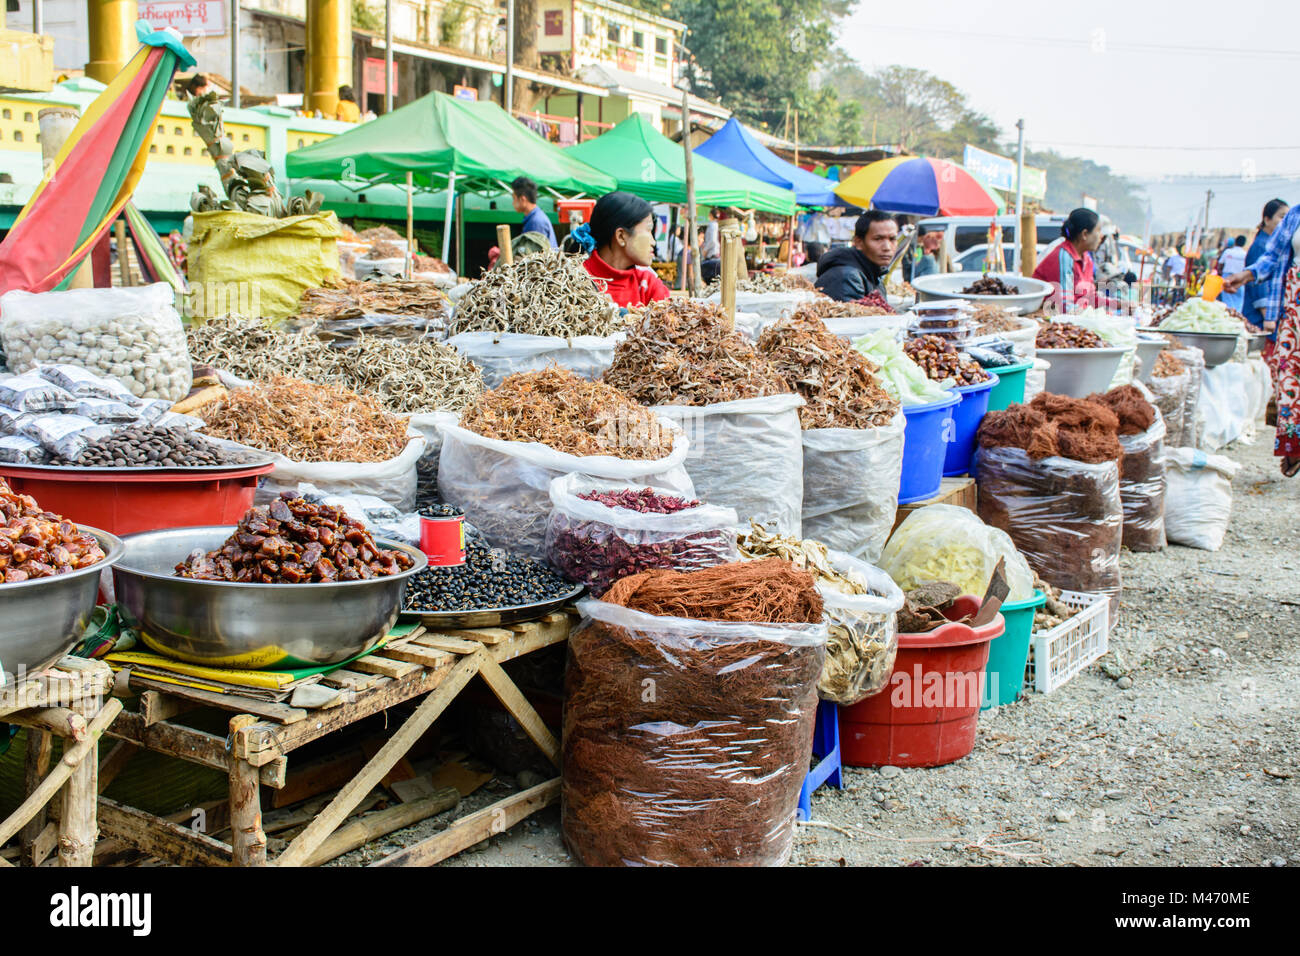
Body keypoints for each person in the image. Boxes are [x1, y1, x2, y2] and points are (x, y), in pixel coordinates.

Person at [1223, 204, 1300, 476]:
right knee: (1290, 381)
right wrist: (1244, 276)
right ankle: (1296, 443)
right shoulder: (1295, 215)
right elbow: (1273, 258)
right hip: (1295, 310)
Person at [570, 191, 671, 307]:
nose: (653, 242)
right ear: (621, 236)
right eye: (648, 230)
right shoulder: (572, 279)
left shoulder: (649, 286)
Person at [813, 210, 897, 301]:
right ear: (858, 242)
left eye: (892, 239)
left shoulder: (873, 274)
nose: (887, 247)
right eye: (878, 239)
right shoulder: (847, 277)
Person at [1032, 208, 1102, 306]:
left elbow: (1091, 298)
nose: (1101, 237)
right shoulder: (1064, 257)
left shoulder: (1087, 259)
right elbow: (1065, 305)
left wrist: (1119, 304)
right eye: (1098, 231)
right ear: (1084, 234)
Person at [1244, 199, 1290, 329]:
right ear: (1267, 220)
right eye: (1282, 217)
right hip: (1261, 318)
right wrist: (1269, 318)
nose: (1286, 222)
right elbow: (1260, 287)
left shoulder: (1271, 244)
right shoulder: (1262, 245)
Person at [510, 176, 557, 248]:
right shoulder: (534, 218)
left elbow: (535, 255)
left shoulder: (536, 222)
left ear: (522, 199)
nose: (513, 203)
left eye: (514, 198)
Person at [1217, 235, 1248, 310]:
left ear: (1235, 242)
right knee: (1239, 300)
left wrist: (1220, 273)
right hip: (1241, 277)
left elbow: (1220, 264)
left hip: (1227, 277)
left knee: (1226, 299)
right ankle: (1237, 316)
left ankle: (1228, 315)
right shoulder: (1245, 254)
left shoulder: (1228, 252)